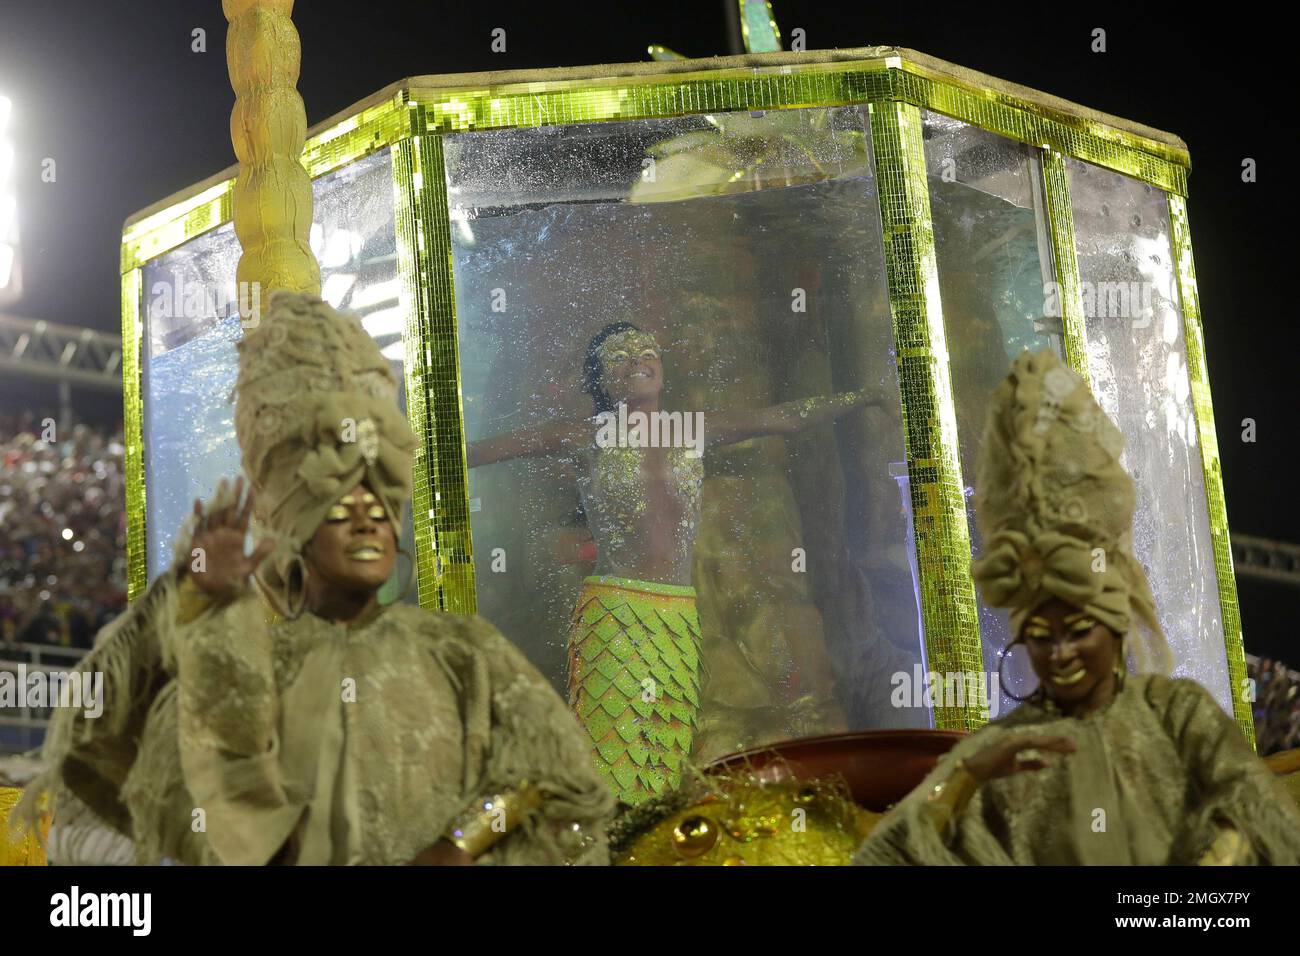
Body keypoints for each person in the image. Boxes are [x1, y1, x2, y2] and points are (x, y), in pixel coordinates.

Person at [21, 291, 615, 865]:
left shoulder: (460, 650)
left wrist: (459, 844)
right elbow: (102, 735)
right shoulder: (254, 665)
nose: (368, 525)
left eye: (380, 509)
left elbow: (554, 778)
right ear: (297, 532)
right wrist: (190, 592)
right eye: (340, 510)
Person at [855, 349, 1300, 865]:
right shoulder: (1003, 752)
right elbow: (882, 860)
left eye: (1080, 630)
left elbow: (1267, 822)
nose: (1061, 653)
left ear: (1115, 626)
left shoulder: (1175, 714)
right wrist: (966, 776)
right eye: (1042, 637)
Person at [468, 321, 875, 804]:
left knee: (664, 752)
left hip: (679, 617)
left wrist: (869, 395)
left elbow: (783, 419)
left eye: (646, 350)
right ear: (599, 380)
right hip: (615, 616)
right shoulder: (585, 436)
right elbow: (480, 451)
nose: (637, 358)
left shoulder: (691, 429)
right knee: (615, 748)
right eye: (619, 355)